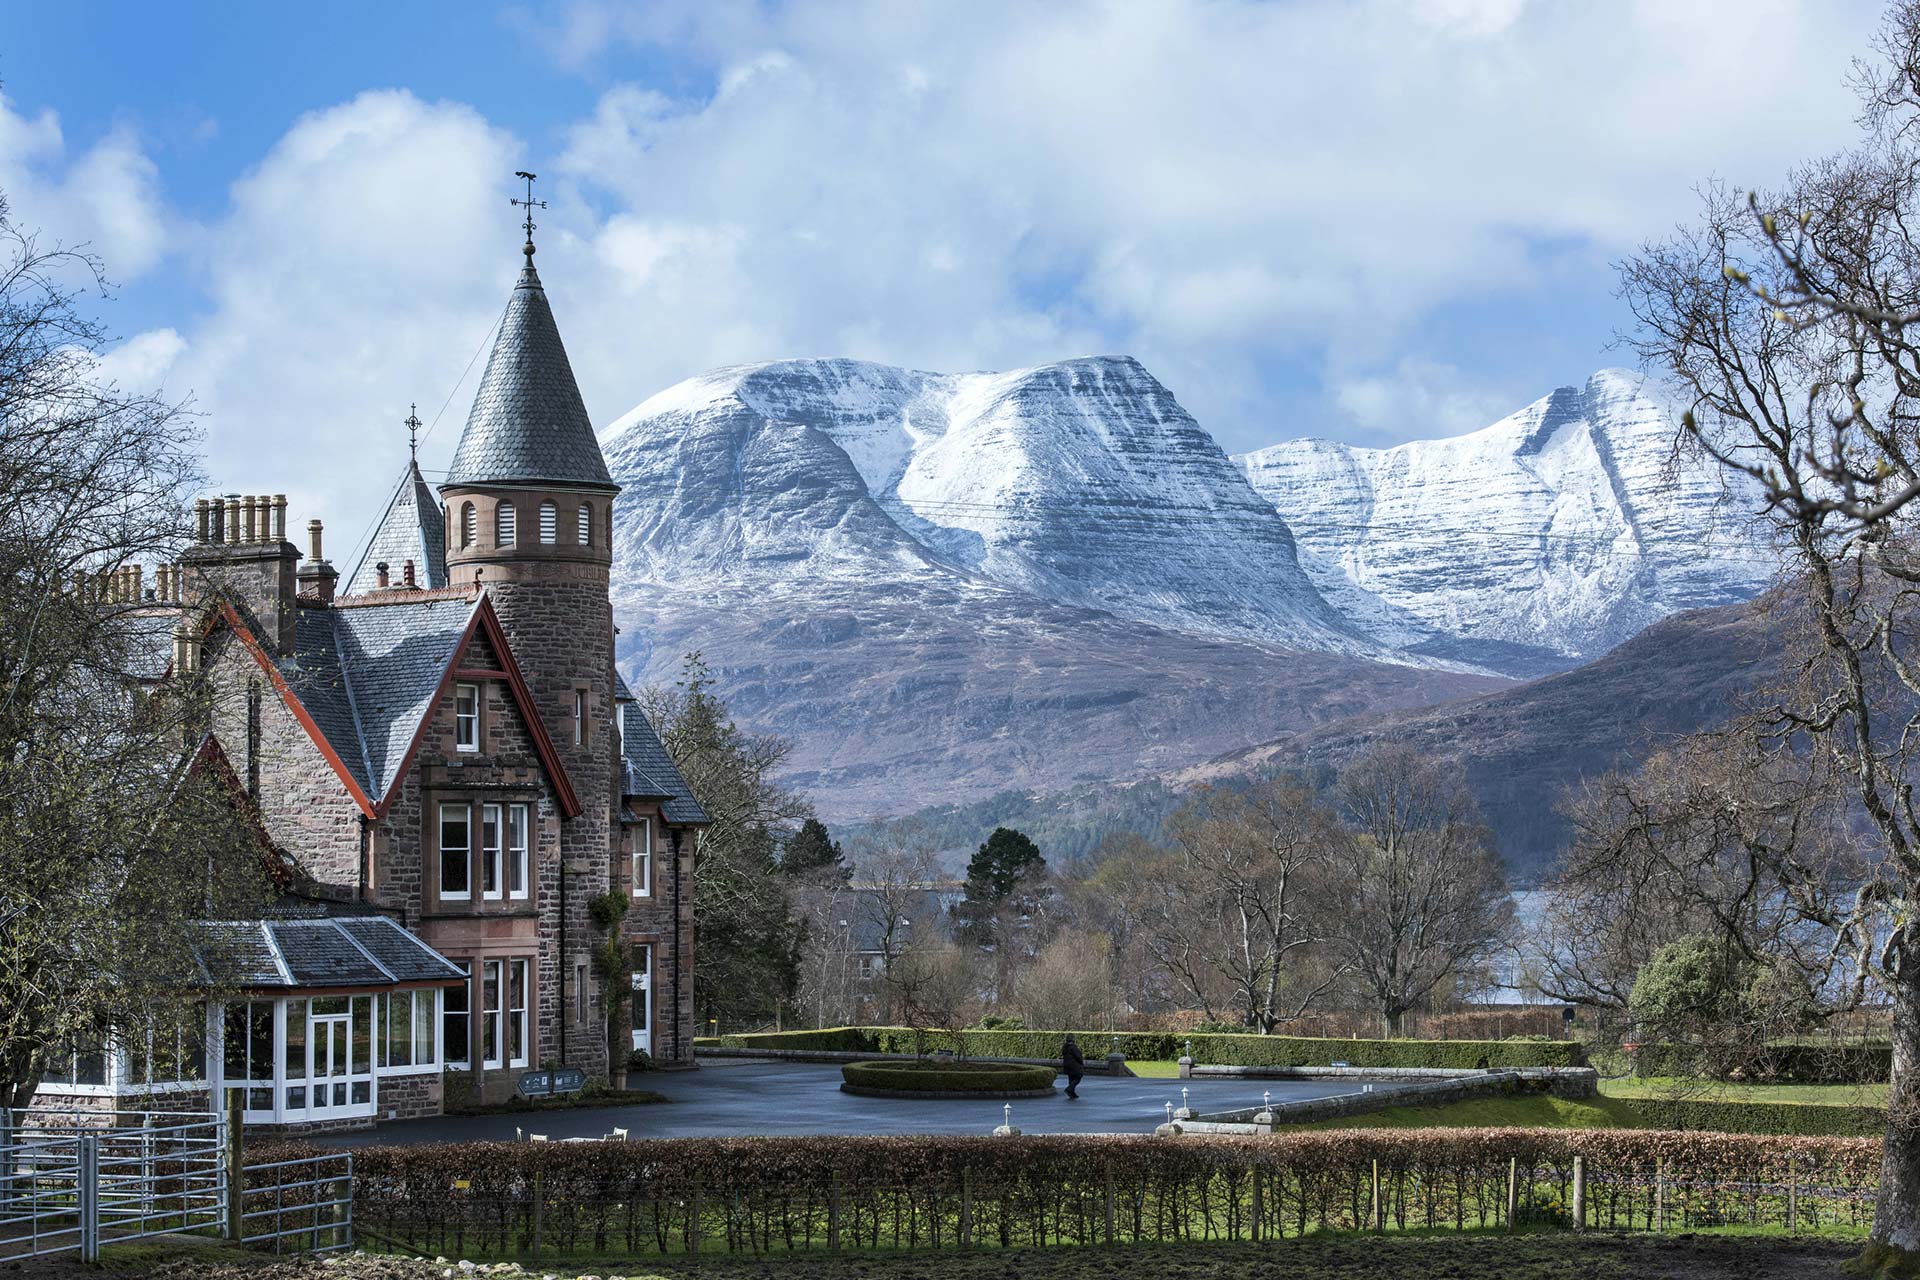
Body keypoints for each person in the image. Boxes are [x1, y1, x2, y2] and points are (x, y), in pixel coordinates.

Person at [1061, 1034, 1084, 1100]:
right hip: (1074, 1065)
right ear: (1073, 1040)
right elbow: (1078, 1056)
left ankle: (1072, 1093)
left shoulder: (1065, 1047)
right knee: (1078, 1077)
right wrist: (1081, 1062)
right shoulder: (1073, 1047)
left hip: (1067, 1065)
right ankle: (1069, 1089)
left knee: (1071, 1079)